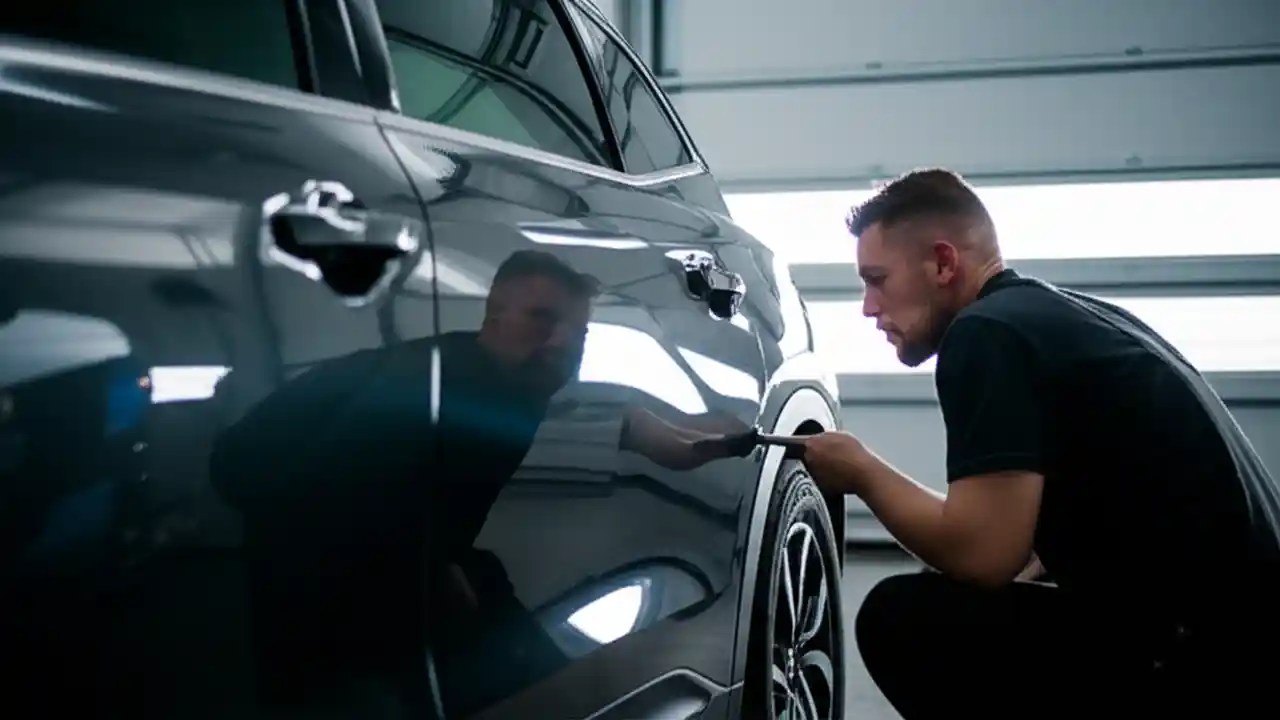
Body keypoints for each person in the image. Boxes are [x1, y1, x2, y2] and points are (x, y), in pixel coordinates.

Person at [798, 168, 1280, 717]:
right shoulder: (1060, 318)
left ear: (942, 262)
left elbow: (983, 556)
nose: (867, 306)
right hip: (1244, 644)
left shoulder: (986, 335)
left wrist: (860, 470)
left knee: (901, 619)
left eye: (877, 278)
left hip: (1208, 666)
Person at [209, 249, 745, 717]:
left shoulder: (527, 376)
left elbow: (646, 431)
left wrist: (719, 439)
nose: (562, 342)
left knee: (517, 663)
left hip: (412, 547)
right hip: (310, 538)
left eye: (577, 331)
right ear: (495, 316)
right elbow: (339, 488)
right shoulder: (426, 382)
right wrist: (437, 571)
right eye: (542, 319)